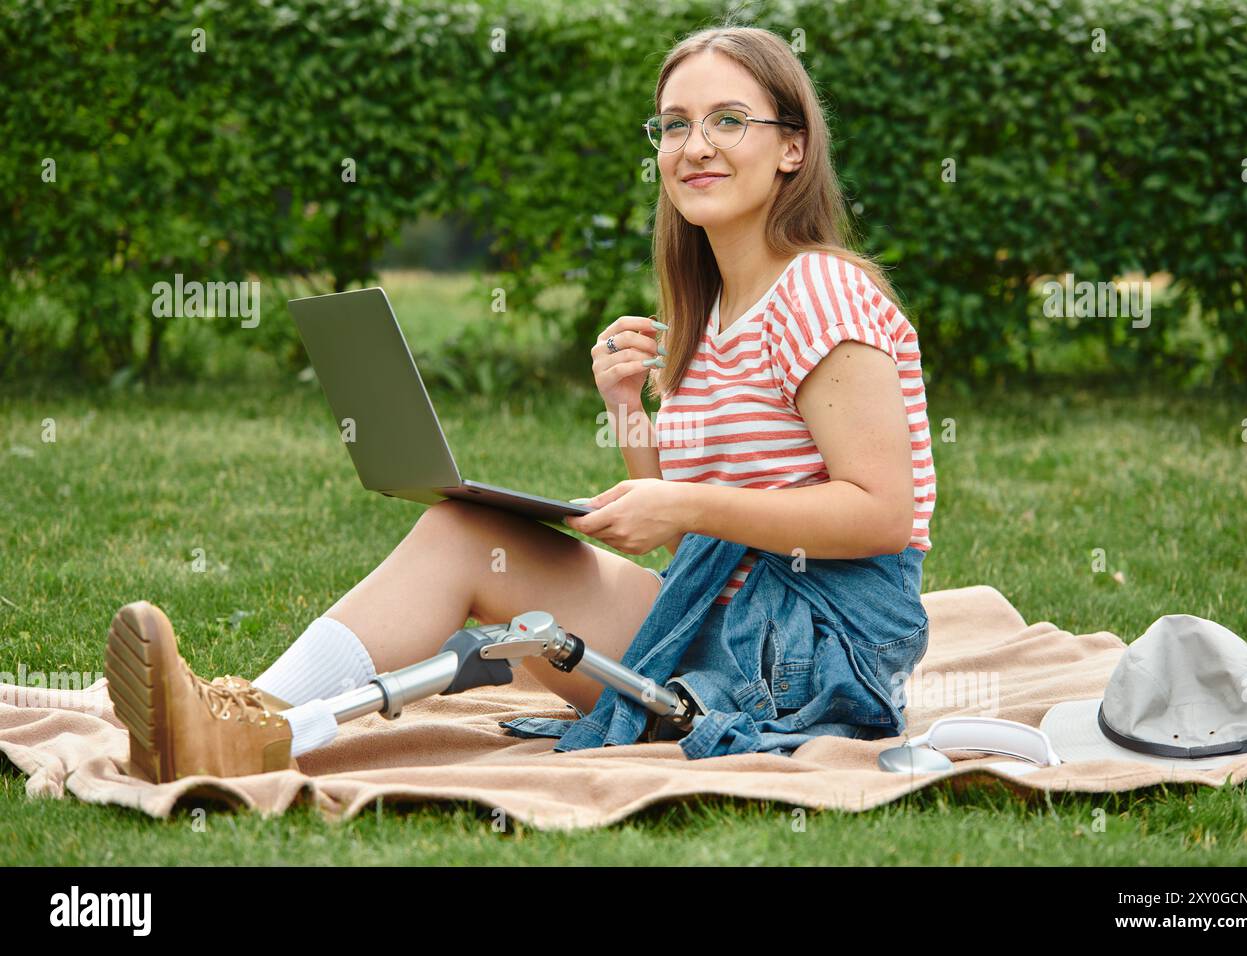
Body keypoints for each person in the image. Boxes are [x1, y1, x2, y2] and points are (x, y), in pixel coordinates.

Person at [103, 24, 936, 783]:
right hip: (723, 621)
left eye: (728, 121)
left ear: (792, 148)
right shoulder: (711, 311)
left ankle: (249, 722)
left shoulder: (820, 293)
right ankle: (244, 720)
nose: (695, 147)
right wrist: (628, 411)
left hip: (818, 651)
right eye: (674, 125)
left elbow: (879, 513)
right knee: (469, 533)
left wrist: (677, 499)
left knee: (467, 538)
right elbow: (689, 533)